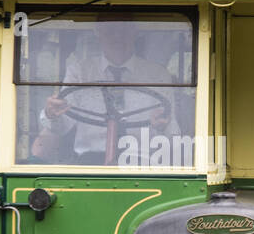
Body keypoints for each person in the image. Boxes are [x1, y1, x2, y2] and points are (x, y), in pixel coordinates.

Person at [34, 16, 177, 165]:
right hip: (89, 162)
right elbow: (62, 125)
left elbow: (173, 129)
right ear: (98, 32)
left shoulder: (158, 75)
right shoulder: (80, 72)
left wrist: (163, 126)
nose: (117, 36)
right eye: (110, 30)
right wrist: (51, 114)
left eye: (124, 30)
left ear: (135, 32)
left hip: (141, 162)